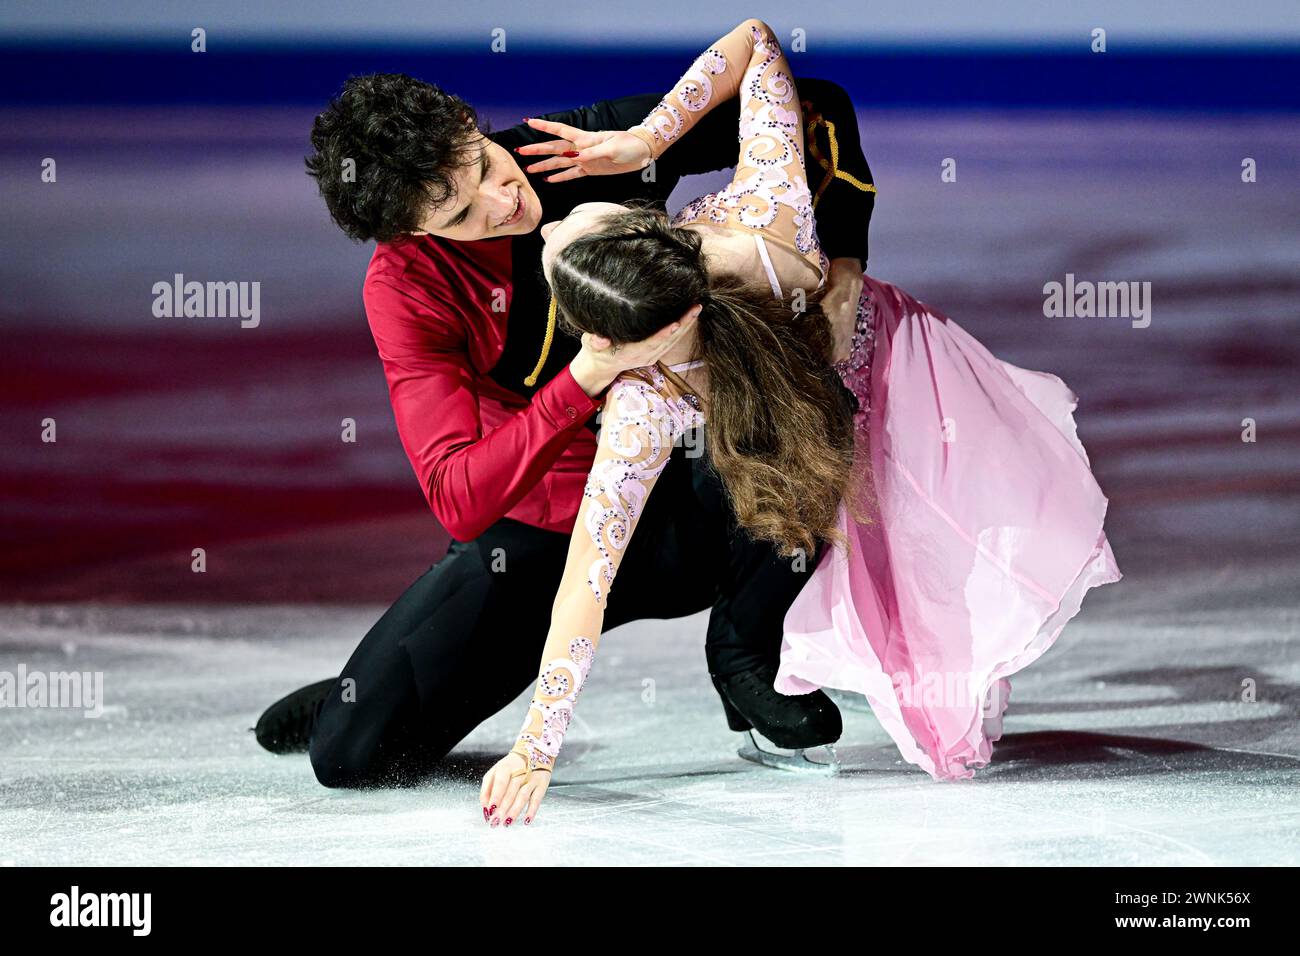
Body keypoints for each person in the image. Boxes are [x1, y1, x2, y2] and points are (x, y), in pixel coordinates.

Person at [478, 19, 1121, 826]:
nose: (547, 225)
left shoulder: (642, 400)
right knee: (931, 561)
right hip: (881, 401)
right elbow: (752, 37)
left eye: (564, 237)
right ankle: (752, 643)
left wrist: (538, 746)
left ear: (618, 339)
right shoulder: (765, 208)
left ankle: (747, 646)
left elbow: (587, 581)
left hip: (865, 425)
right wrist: (646, 141)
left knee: (906, 565)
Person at [254, 51, 879, 788]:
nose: (501, 201)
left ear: (469, 122)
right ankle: (355, 700)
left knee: (801, 405)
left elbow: (816, 107)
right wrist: (588, 376)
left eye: (483, 163)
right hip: (553, 534)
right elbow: (458, 498)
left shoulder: (571, 151)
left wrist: (843, 266)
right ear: (413, 234)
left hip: (694, 504)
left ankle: (744, 649)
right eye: (458, 214)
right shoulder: (407, 289)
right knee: (353, 756)